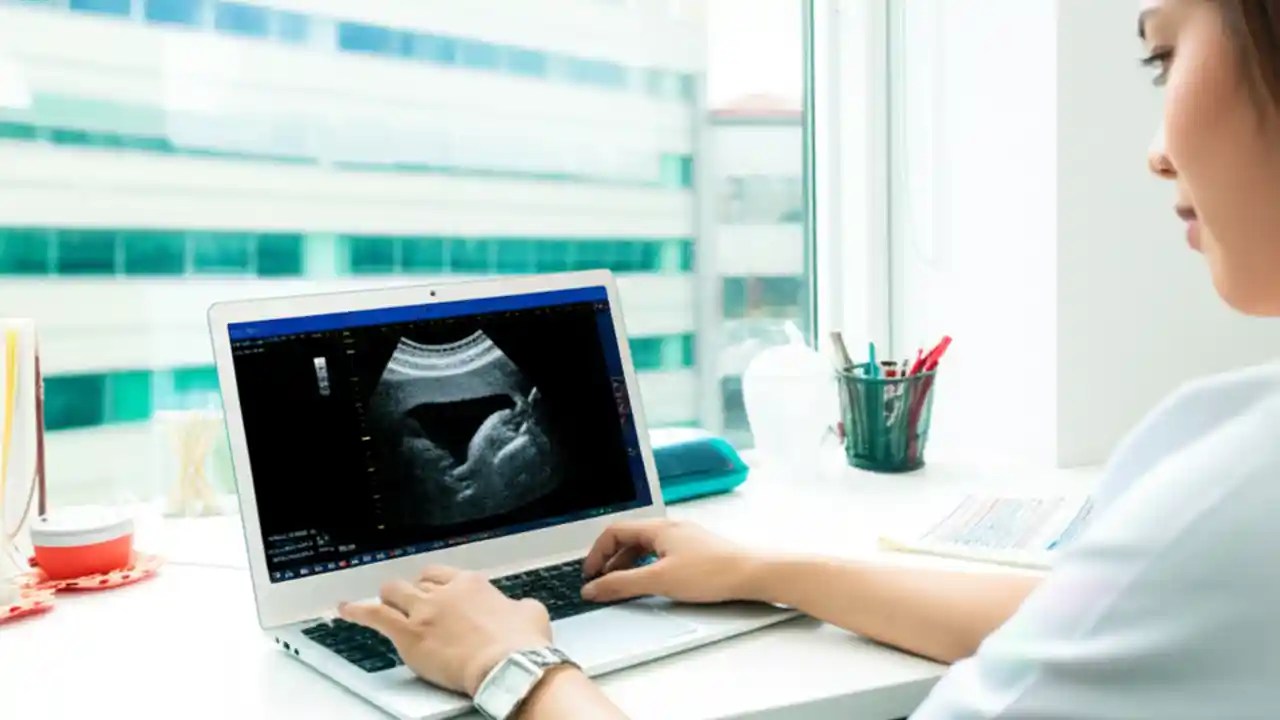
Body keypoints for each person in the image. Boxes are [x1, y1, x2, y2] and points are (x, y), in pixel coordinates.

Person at [339, 0, 1280, 716]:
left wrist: (514, 667)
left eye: (1163, 58)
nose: (1157, 153)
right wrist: (765, 570)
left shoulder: (1237, 480)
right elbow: (1085, 621)